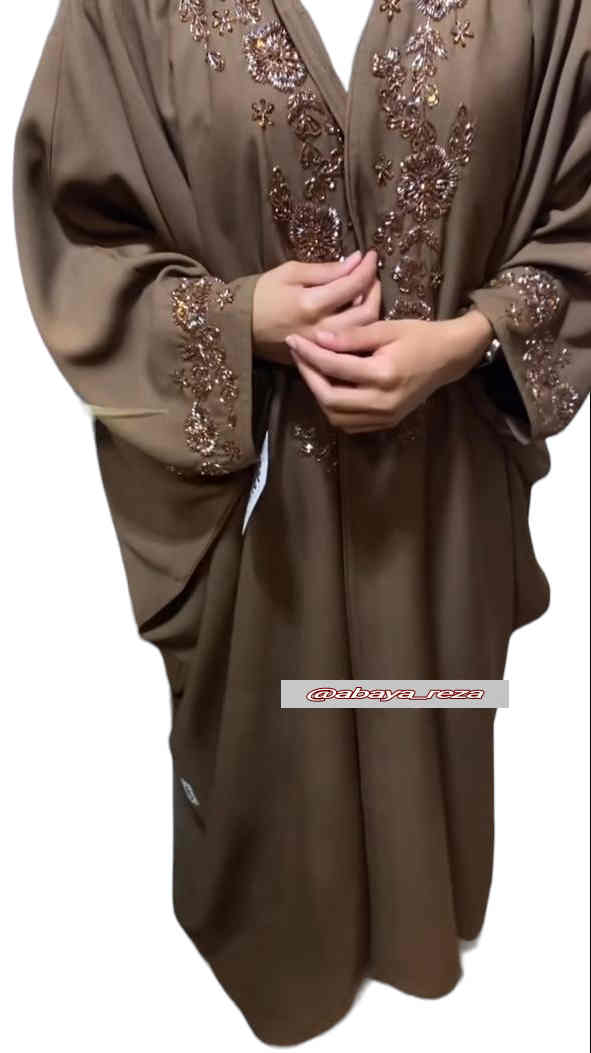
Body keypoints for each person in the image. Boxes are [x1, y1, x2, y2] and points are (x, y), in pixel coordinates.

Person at [13, 0, 591, 1045]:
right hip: (263, 508)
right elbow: (77, 229)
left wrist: (467, 339)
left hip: (440, 505)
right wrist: (237, 321)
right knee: (276, 774)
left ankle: (419, 922)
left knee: (432, 711)